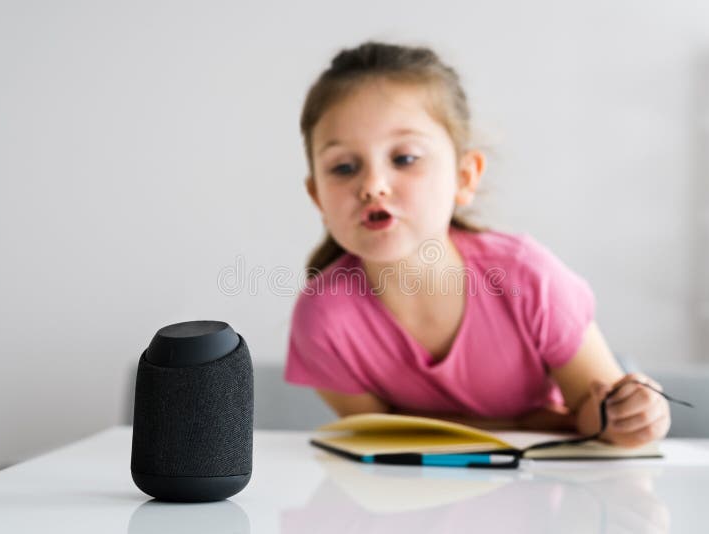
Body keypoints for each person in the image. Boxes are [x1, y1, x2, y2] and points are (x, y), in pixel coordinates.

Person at [284, 41, 670, 447]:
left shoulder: (529, 277)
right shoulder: (322, 319)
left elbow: (597, 414)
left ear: (465, 177)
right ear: (317, 197)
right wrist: (526, 423)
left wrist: (629, 417)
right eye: (344, 167)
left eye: (405, 158)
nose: (372, 185)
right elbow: (381, 439)